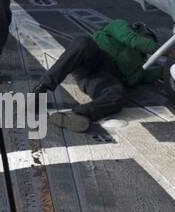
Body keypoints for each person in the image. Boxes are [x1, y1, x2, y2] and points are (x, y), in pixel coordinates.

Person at [32, 21, 161, 132]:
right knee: (82, 42)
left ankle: (78, 114)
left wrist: (171, 68)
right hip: (93, 57)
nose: (148, 43)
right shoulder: (120, 26)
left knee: (117, 94)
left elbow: (151, 75)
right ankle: (41, 88)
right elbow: (132, 40)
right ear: (140, 30)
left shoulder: (140, 65)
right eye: (148, 38)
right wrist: (164, 50)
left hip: (102, 78)